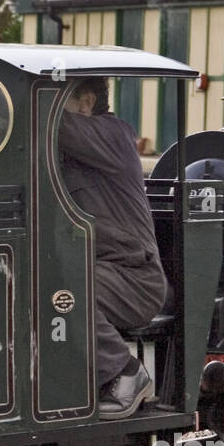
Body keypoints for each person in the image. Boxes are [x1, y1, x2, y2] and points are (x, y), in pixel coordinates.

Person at [59, 77, 167, 419]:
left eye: (56, 99)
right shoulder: (66, 150)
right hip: (97, 268)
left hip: (133, 277)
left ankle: (125, 372)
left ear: (87, 102)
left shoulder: (113, 134)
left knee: (62, 293)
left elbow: (50, 123)